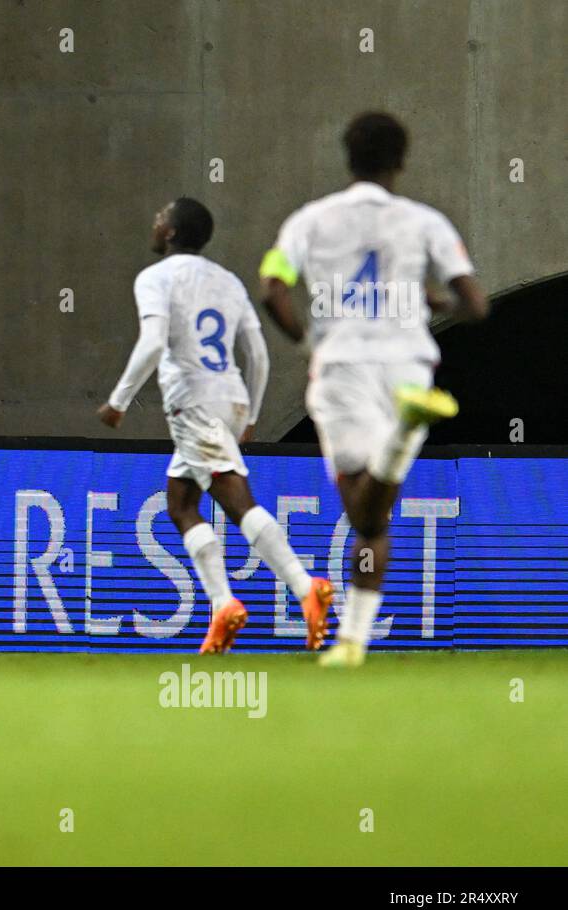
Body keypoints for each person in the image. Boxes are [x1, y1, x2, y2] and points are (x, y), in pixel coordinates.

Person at [260, 112, 489, 667]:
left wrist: (305, 342)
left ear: (347, 158)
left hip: (344, 365)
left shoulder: (308, 220)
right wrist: (430, 301)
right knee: (375, 517)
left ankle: (353, 640)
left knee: (363, 516)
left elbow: (272, 288)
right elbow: (476, 304)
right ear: (402, 161)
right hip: (410, 367)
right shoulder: (427, 222)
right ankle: (354, 643)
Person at [99, 197, 334, 654]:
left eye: (159, 215)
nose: (154, 220)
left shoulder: (155, 278)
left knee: (234, 499)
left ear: (169, 232)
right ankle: (223, 603)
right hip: (231, 398)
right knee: (181, 501)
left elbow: (151, 343)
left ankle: (306, 588)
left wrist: (118, 401)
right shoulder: (227, 281)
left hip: (193, 403)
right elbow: (259, 354)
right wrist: (253, 414)